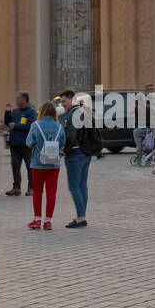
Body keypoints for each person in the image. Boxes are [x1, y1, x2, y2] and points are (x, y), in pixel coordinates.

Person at [59, 89, 98, 227]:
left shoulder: (71, 115)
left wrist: (64, 150)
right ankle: (82, 215)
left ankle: (81, 218)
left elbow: (71, 136)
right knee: (82, 186)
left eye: (64, 101)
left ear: (71, 99)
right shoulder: (85, 112)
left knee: (74, 186)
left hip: (75, 155)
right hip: (86, 154)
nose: (62, 104)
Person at [26, 100, 66, 230]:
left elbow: (29, 142)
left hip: (38, 163)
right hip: (54, 164)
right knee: (51, 193)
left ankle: (37, 219)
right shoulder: (59, 126)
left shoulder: (35, 125)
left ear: (41, 112)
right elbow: (62, 143)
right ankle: (48, 221)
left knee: (37, 191)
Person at [4, 91, 37, 196]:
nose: (16, 100)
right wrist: (7, 112)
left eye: (18, 98)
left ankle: (31, 188)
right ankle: (16, 188)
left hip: (27, 145)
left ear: (24, 99)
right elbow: (7, 122)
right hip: (15, 145)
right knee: (15, 166)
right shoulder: (15, 111)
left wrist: (16, 126)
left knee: (30, 167)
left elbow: (30, 125)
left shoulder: (31, 111)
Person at [132, 84, 155, 164]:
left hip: (154, 122)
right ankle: (147, 158)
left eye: (153, 89)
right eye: (150, 89)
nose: (151, 91)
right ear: (146, 91)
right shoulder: (144, 100)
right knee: (147, 141)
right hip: (147, 124)